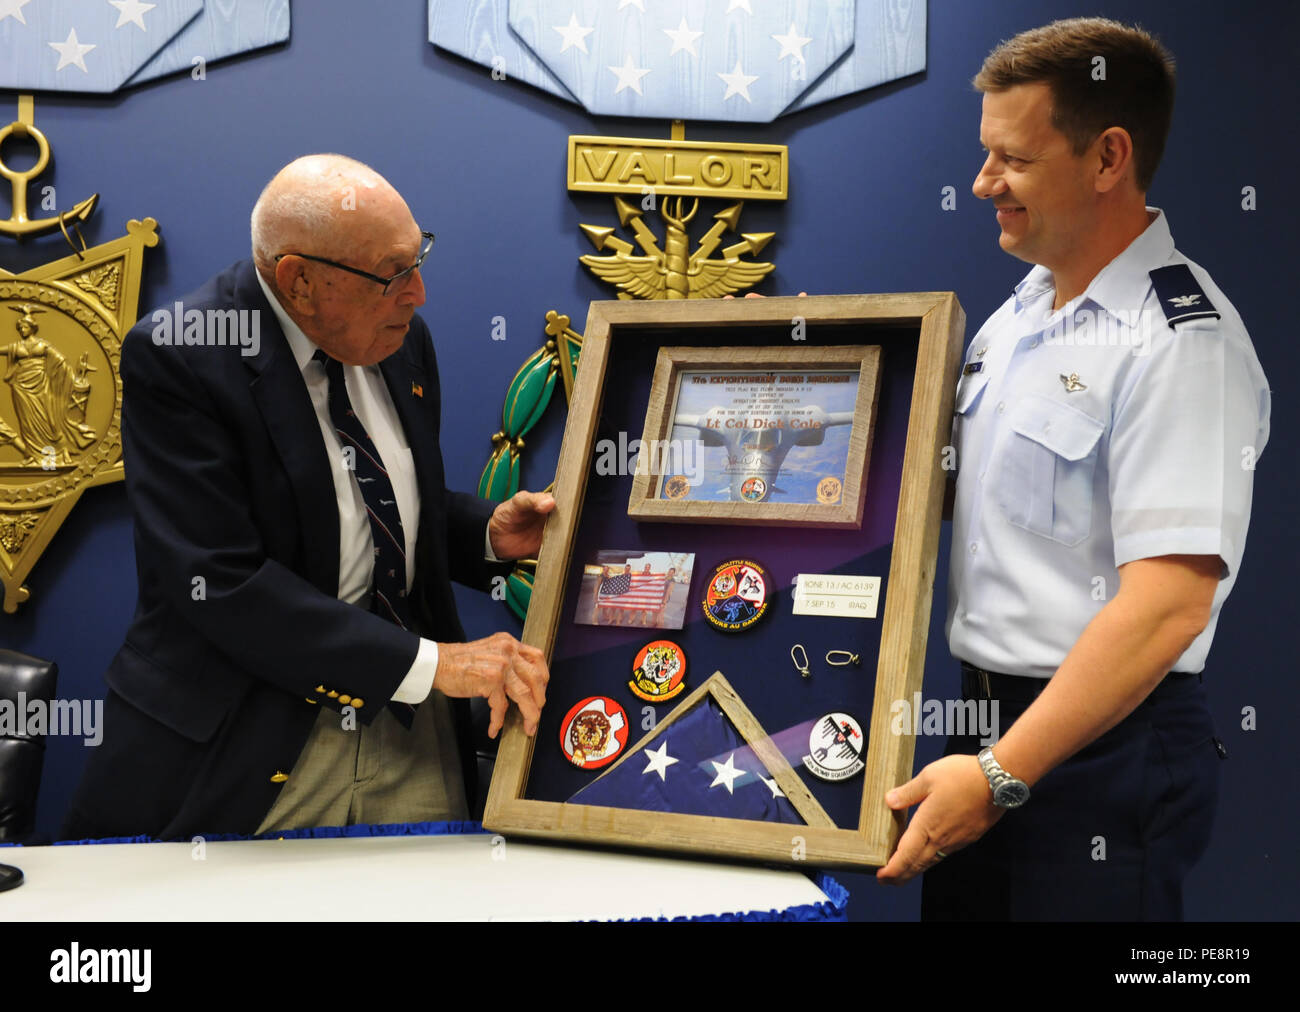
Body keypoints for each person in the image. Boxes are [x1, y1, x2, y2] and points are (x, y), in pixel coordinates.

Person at [877, 19, 1270, 919]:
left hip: (1100, 755)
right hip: (982, 733)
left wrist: (1002, 773)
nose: (982, 184)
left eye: (1011, 160)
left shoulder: (1180, 343)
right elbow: (962, 499)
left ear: (1108, 159)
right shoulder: (1019, 313)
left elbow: (1169, 601)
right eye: (985, 156)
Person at [61, 155, 551, 841]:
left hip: (411, 729)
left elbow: (378, 497)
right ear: (299, 282)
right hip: (254, 731)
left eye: (419, 260)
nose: (419, 295)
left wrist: (487, 535)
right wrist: (437, 663)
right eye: (393, 273)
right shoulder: (183, 356)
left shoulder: (399, 336)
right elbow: (221, 581)